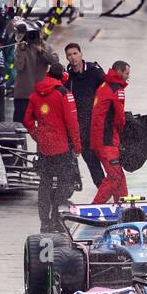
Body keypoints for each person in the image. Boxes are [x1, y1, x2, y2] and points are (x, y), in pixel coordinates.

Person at [23, 63, 83, 232]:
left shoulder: (35, 94)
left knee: (45, 184)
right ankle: (57, 218)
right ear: (63, 76)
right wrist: (77, 146)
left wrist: (37, 135)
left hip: (44, 148)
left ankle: (44, 221)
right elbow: (72, 123)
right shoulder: (64, 94)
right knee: (65, 183)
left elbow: (27, 120)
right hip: (62, 147)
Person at [64, 43, 106, 187]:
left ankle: (114, 187)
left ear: (81, 54)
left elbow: (107, 91)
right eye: (69, 55)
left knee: (106, 157)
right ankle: (101, 187)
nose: (73, 57)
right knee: (89, 157)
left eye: (75, 53)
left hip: (96, 120)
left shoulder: (95, 71)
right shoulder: (66, 77)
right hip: (79, 122)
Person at [90, 61, 130, 206]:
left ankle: (123, 205)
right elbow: (120, 118)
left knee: (119, 175)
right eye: (126, 73)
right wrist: (122, 132)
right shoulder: (117, 89)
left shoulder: (103, 86)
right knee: (115, 176)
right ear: (119, 72)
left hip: (98, 138)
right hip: (107, 140)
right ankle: (95, 207)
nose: (128, 77)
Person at [12, 30, 59, 124]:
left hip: (41, 95)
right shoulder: (22, 47)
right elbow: (19, 66)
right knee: (20, 126)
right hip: (23, 96)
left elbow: (55, 62)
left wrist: (41, 51)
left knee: (43, 125)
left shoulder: (47, 47)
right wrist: (21, 50)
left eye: (38, 32)